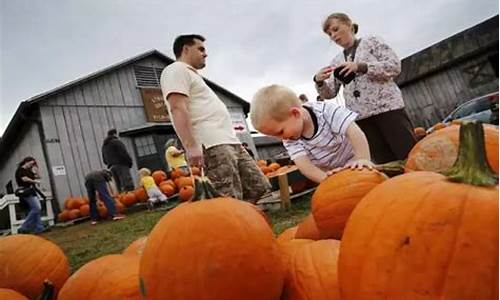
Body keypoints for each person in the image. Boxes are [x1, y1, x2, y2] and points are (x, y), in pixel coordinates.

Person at [160, 34, 271, 203]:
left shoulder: (193, 75)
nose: (206, 54)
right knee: (227, 197)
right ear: (186, 49)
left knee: (258, 186)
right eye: (201, 49)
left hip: (229, 141)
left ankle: (244, 222)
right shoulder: (176, 70)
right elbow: (177, 107)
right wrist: (191, 146)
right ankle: (230, 226)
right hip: (211, 144)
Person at [313, 12, 416, 164]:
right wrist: (319, 82)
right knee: (386, 164)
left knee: (409, 155)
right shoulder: (336, 61)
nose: (333, 36)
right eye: (329, 34)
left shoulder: (372, 42)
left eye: (335, 29)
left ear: (349, 24)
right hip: (361, 118)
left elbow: (394, 66)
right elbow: (330, 93)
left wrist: (360, 67)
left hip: (387, 109)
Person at [250, 84, 374, 183]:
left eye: (280, 132)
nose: (281, 138)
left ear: (295, 114)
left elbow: (354, 132)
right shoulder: (290, 139)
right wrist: (328, 181)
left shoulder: (326, 111)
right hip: (330, 171)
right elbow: (305, 166)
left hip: (354, 161)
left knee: (370, 187)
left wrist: (362, 159)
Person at [15, 157, 48, 234]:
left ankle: (39, 228)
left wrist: (36, 169)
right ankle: (24, 227)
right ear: (26, 162)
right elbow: (24, 179)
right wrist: (34, 181)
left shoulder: (29, 171)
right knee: (37, 208)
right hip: (25, 191)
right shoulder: (20, 170)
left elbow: (39, 177)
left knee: (35, 209)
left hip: (31, 191)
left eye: (33, 164)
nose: (31, 165)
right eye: (31, 163)